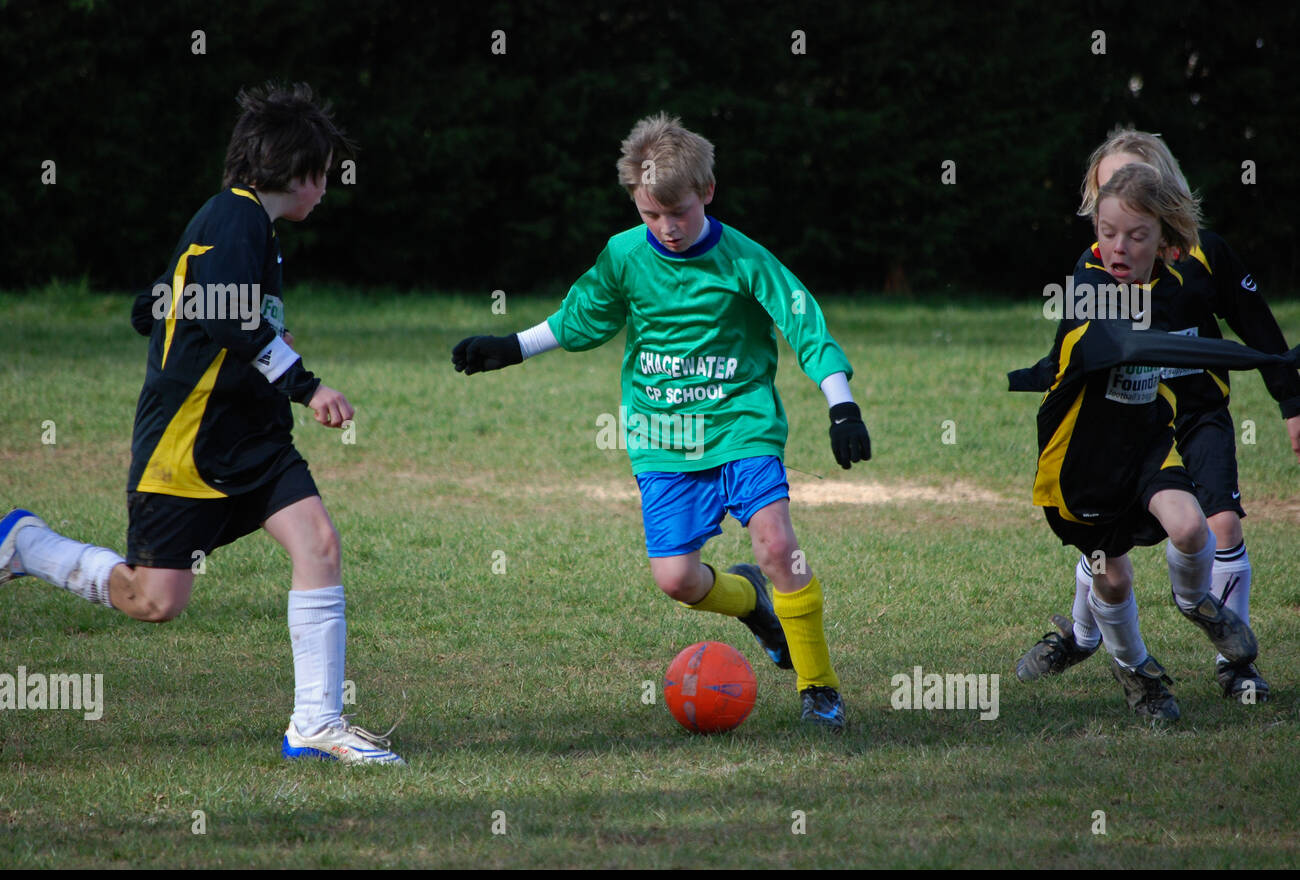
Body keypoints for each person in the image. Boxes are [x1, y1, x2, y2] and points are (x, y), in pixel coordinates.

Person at [0, 82, 403, 764]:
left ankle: (315, 724)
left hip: (256, 441)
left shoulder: (244, 227)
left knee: (319, 544)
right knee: (155, 601)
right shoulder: (234, 217)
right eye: (324, 176)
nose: (327, 191)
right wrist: (308, 387)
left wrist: (161, 312)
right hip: (188, 445)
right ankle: (28, 544)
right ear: (295, 171)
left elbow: (167, 299)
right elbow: (224, 316)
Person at [451, 113, 871, 729]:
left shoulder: (744, 259)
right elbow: (581, 318)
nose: (667, 229)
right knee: (677, 579)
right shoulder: (624, 256)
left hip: (739, 423)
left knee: (780, 546)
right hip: (662, 435)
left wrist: (842, 405)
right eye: (651, 214)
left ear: (707, 192)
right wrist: (511, 347)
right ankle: (752, 600)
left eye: (679, 212)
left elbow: (806, 327)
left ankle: (818, 687)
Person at [1013, 130, 1300, 702]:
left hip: (1177, 418)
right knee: (1107, 563)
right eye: (1105, 212)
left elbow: (1256, 322)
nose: (1117, 238)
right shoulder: (1094, 280)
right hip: (1093, 447)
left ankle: (1230, 659)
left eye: (1136, 223)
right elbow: (1096, 351)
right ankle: (1098, 641)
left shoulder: (1192, 262)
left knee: (1208, 525)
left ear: (1161, 217)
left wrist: (1286, 391)